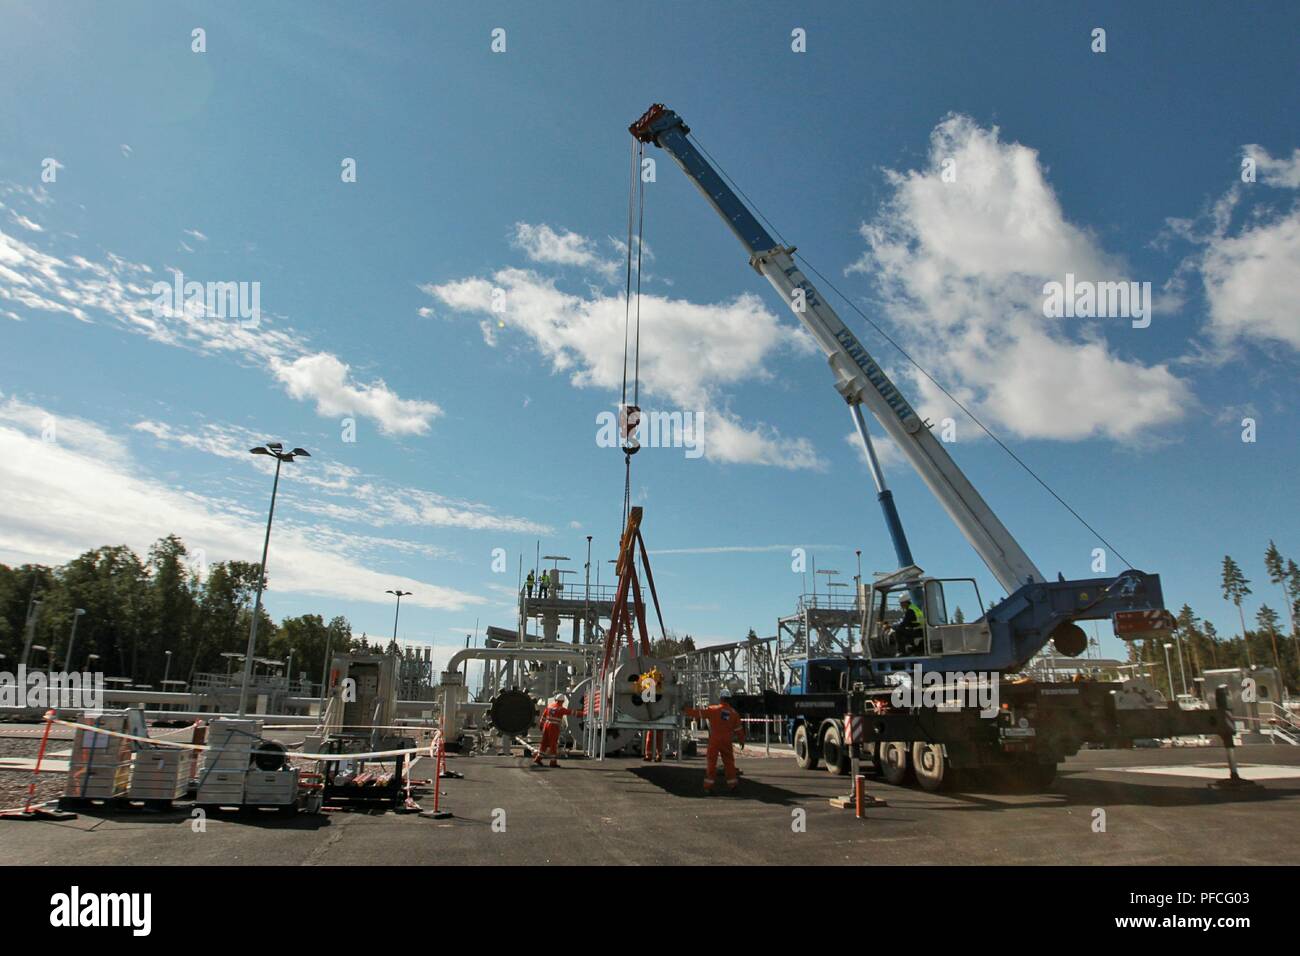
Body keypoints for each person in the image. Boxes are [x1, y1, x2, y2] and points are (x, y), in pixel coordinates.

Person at [683, 689, 746, 792]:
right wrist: (741, 741)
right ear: (729, 699)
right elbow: (739, 730)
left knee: (712, 762)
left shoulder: (713, 709)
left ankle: (708, 786)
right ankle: (732, 784)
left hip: (715, 739)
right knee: (729, 762)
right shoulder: (734, 713)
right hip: (727, 740)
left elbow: (699, 713)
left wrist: (685, 710)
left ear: (720, 698)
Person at [534, 694, 571, 767]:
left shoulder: (549, 706)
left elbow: (543, 717)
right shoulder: (561, 709)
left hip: (546, 726)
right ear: (562, 701)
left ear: (555, 700)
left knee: (544, 743)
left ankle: (538, 759)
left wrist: (541, 726)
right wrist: (583, 713)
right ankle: (553, 762)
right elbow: (571, 712)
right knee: (553, 744)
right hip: (553, 727)